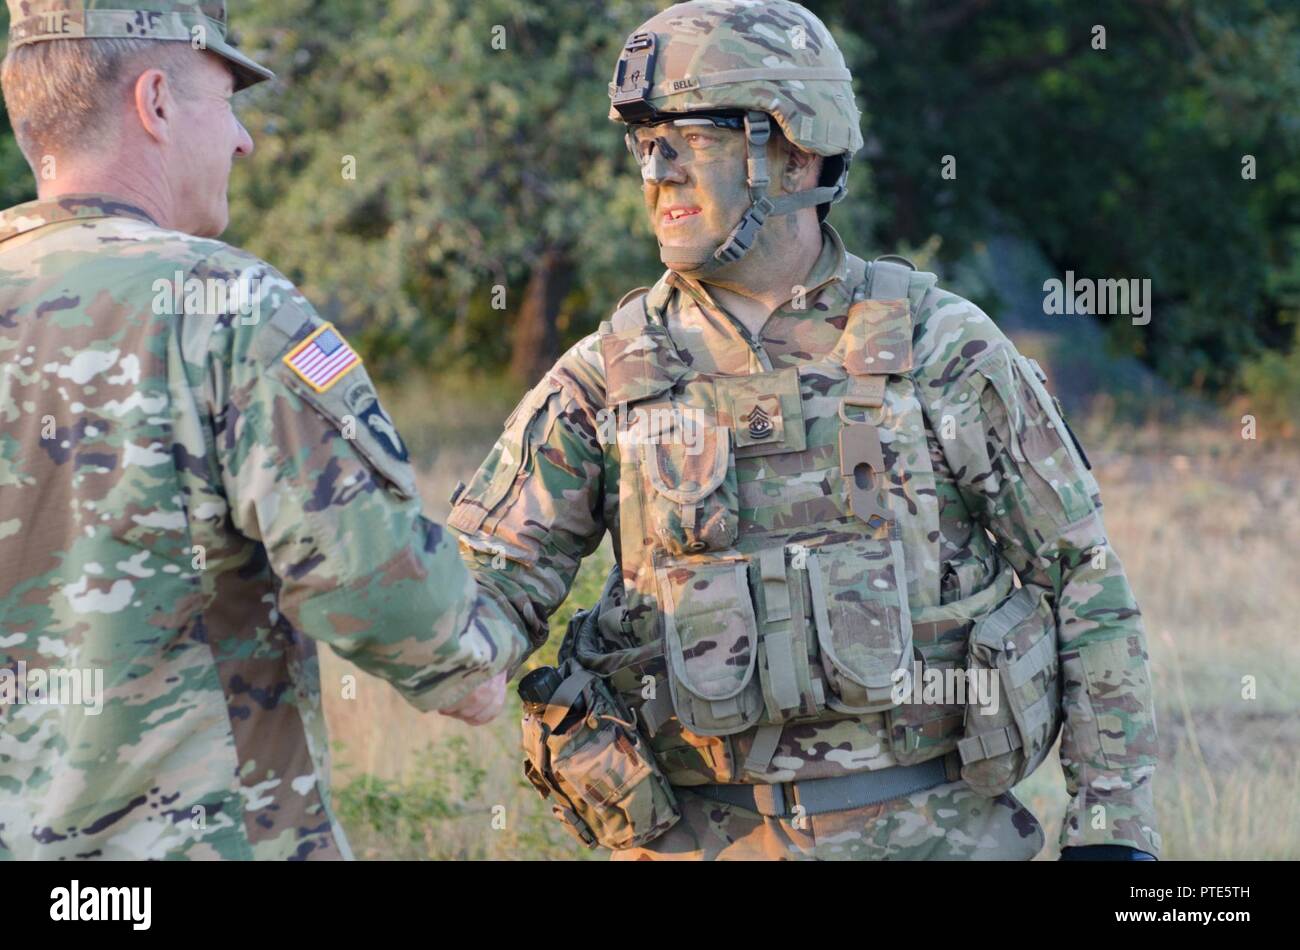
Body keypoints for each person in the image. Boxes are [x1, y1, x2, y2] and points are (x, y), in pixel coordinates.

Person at [450, 0, 1160, 860]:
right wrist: (366, 579)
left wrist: (1112, 828)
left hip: (938, 839)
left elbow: (1083, 579)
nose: (659, 172)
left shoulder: (941, 346)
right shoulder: (608, 375)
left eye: (695, 138)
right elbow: (482, 595)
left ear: (797, 151)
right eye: (646, 143)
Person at [0, 0, 520, 860]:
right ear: (155, 102)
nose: (243, 141)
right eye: (227, 102)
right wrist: (471, 662)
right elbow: (374, 580)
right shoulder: (226, 305)